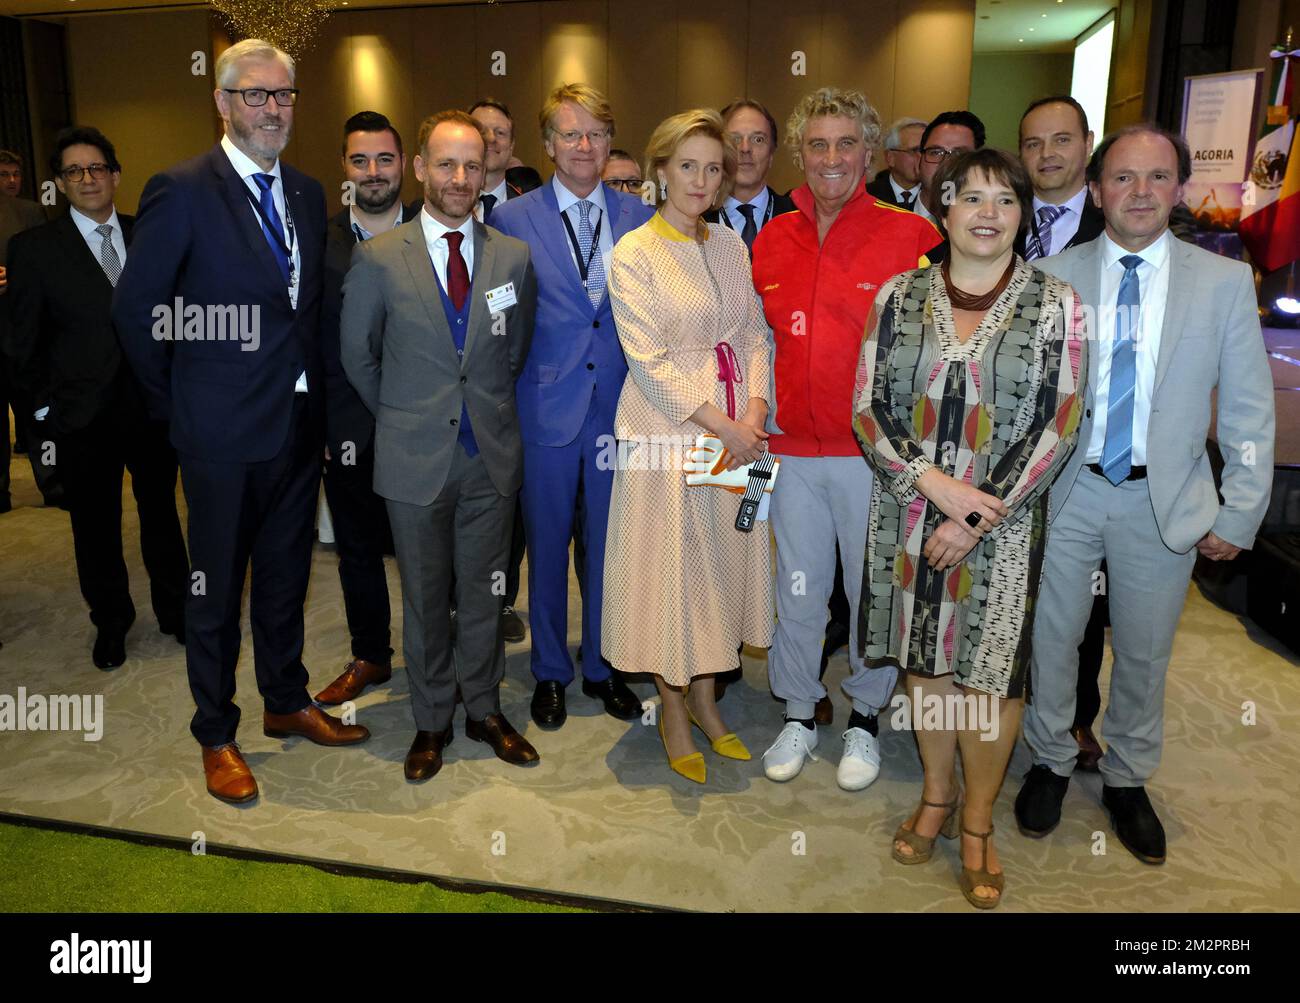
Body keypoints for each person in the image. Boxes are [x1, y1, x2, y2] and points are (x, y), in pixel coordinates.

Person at [113, 38, 367, 806]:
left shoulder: (304, 192)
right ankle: (215, 732)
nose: (272, 108)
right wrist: (178, 406)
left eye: (284, 95)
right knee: (214, 590)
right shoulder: (182, 189)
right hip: (218, 438)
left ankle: (285, 698)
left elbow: (307, 314)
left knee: (287, 578)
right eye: (255, 95)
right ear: (222, 103)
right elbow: (138, 312)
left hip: (295, 427)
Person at [1016, 124, 1274, 865]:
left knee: (1145, 650)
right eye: (1123, 178)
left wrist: (1241, 510)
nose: (1140, 192)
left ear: (1179, 189)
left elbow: (1251, 408)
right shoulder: (1054, 276)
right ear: (1097, 191)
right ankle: (1050, 759)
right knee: (1052, 640)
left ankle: (1128, 777)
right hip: (1068, 493)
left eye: (1157, 177)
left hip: (1165, 504)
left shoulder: (1222, 282)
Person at [855, 147, 1086, 908]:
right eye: (970, 197)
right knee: (928, 659)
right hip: (911, 513)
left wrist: (978, 512)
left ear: (1024, 214)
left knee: (990, 675)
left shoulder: (1058, 303)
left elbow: (1061, 419)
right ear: (942, 209)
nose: (988, 212)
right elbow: (869, 405)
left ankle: (980, 820)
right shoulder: (897, 295)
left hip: (1005, 527)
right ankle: (936, 791)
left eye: (1006, 199)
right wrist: (932, 486)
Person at [751, 87, 941, 791]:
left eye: (847, 143)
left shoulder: (911, 237)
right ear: (801, 152)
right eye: (818, 144)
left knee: (871, 597)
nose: (832, 158)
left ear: (870, 151)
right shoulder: (770, 237)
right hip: (792, 454)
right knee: (798, 592)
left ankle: (864, 717)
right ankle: (799, 710)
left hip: (875, 458)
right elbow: (754, 343)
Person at [340, 110, 539, 781]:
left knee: (485, 593)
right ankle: (431, 719)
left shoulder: (513, 257)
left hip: (490, 457)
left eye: (472, 165)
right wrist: (407, 416)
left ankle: (483, 707)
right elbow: (358, 358)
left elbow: (512, 353)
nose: (460, 178)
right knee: (425, 598)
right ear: (421, 167)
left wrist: (473, 411)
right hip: (413, 460)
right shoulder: (376, 259)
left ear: (488, 173)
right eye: (446, 164)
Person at [605, 109, 774, 783]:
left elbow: (756, 334)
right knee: (673, 572)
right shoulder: (634, 254)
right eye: (688, 166)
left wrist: (755, 409)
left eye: (713, 167)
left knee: (725, 565)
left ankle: (708, 698)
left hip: (738, 430)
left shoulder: (732, 244)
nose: (701, 180)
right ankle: (672, 706)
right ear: (660, 170)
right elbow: (648, 360)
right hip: (668, 434)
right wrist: (724, 424)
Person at [491, 83, 653, 731]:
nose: (584, 145)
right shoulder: (511, 219)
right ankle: (551, 672)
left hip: (620, 408)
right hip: (544, 409)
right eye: (570, 133)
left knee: (611, 549)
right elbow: (500, 321)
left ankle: (604, 666)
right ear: (548, 144)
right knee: (549, 548)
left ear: (610, 142)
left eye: (596, 133)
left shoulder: (641, 219)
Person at [7, 126, 188, 669]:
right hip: (81, 414)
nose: (87, 179)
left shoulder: (150, 235)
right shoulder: (35, 250)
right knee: (95, 525)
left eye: (96, 168)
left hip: (152, 406)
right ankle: (111, 622)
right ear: (60, 184)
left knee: (163, 514)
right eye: (73, 171)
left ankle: (177, 611)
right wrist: (42, 410)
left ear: (115, 174)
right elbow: (20, 340)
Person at [1017, 94, 1109, 771]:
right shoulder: (998, 216)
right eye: (1034, 143)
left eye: (1061, 140)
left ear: (1087, 143)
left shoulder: (1122, 232)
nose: (1047, 154)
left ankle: (1076, 717)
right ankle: (1011, 699)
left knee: (1083, 598)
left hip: (1085, 449)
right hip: (1001, 440)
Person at [313, 111, 413, 708]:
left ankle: (438, 655)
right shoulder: (317, 242)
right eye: (360, 160)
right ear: (345, 169)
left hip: (424, 426)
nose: (373, 172)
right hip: (346, 428)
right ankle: (371, 655)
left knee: (428, 552)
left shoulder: (438, 234)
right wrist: (320, 424)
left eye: (384, 159)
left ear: (404, 165)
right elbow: (307, 338)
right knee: (357, 552)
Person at [467, 97, 541, 644]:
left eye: (500, 132)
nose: (491, 141)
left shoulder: (524, 208)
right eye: (480, 131)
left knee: (510, 506)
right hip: (453, 389)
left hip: (518, 382)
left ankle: (502, 599)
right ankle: (459, 609)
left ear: (512, 147)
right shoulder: (433, 209)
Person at [0, 152, 50, 513]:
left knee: (36, 413)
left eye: (16, 173)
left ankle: (54, 484)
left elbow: (47, 266)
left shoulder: (33, 212)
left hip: (23, 328)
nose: (12, 180)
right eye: (4, 174)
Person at [703, 100, 795, 254]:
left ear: (771, 154)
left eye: (758, 139)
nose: (745, 148)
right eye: (734, 139)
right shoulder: (696, 219)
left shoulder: (798, 217)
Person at [914, 110, 986, 261]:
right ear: (918, 161)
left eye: (959, 155)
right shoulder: (888, 222)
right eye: (936, 152)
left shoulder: (988, 225)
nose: (945, 164)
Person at [866, 116, 927, 210]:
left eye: (927, 151)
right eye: (914, 150)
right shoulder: (868, 196)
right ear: (891, 158)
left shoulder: (939, 198)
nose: (922, 157)